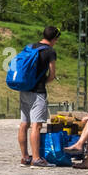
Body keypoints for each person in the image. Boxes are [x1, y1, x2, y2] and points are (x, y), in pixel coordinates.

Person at [18, 25, 59, 167]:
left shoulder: (30, 47)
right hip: (38, 92)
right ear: (54, 39)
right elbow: (52, 75)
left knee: (24, 124)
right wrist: (43, 82)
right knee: (36, 125)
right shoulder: (50, 51)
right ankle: (36, 158)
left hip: (24, 89)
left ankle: (25, 157)